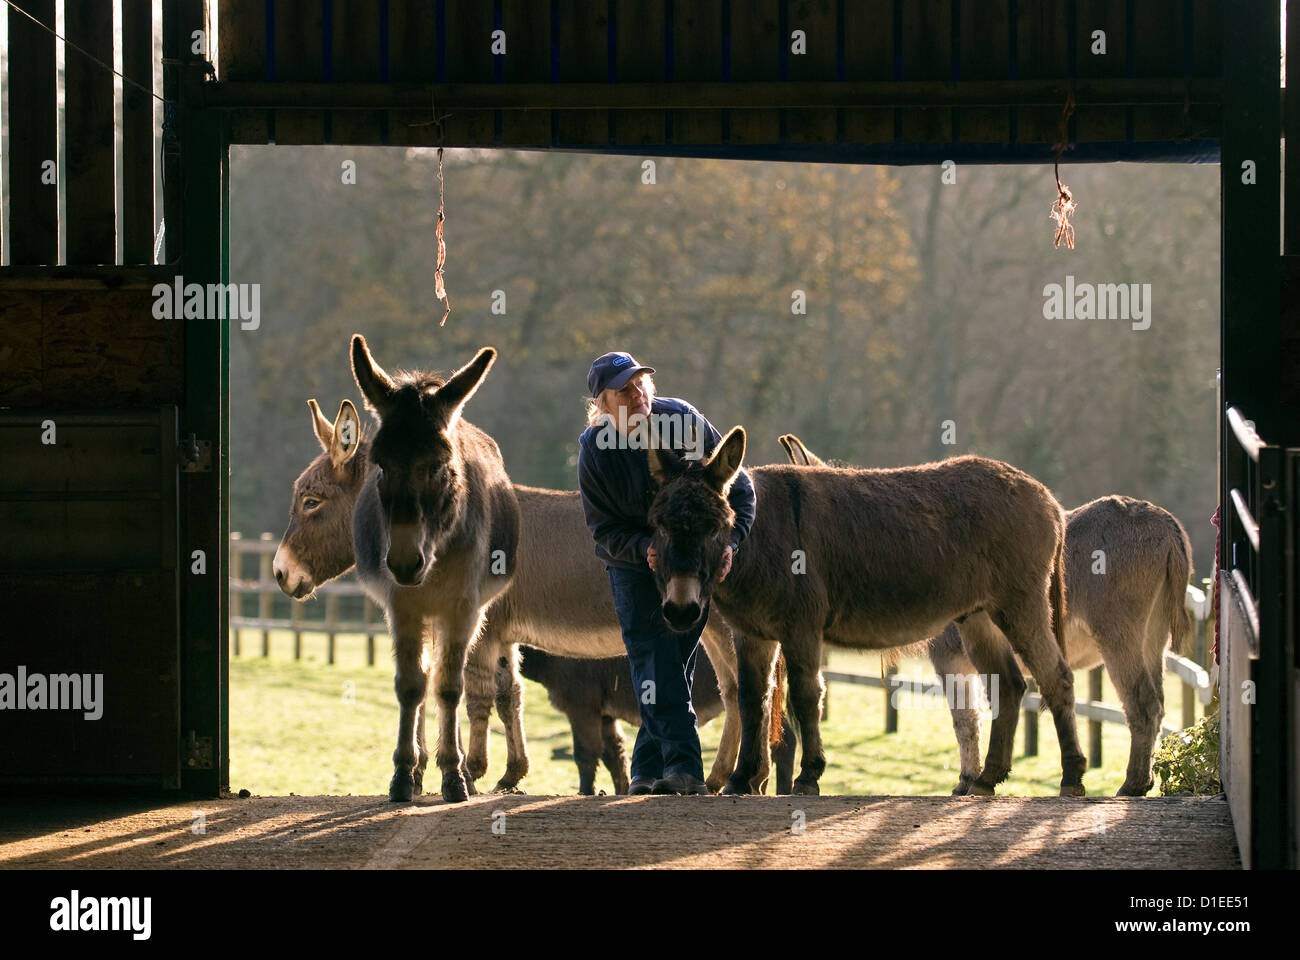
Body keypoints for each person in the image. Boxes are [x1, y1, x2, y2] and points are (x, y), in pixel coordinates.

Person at [576, 351, 756, 795]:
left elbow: (741, 488)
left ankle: (644, 771)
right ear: (601, 404)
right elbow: (603, 529)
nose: (637, 394)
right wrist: (644, 548)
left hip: (690, 566)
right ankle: (684, 770)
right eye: (623, 389)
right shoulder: (594, 453)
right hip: (633, 566)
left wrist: (730, 545)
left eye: (640, 384)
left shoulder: (684, 421)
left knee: (671, 662)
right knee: (653, 657)